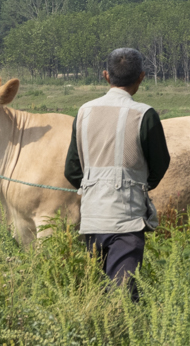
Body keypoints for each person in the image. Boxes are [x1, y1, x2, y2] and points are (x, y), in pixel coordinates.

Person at [64, 47, 170, 299]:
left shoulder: (84, 111)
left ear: (106, 75)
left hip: (92, 218)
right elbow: (160, 164)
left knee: (98, 292)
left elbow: (72, 170)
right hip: (127, 219)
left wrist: (94, 187)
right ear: (141, 77)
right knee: (123, 295)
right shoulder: (145, 115)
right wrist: (138, 185)